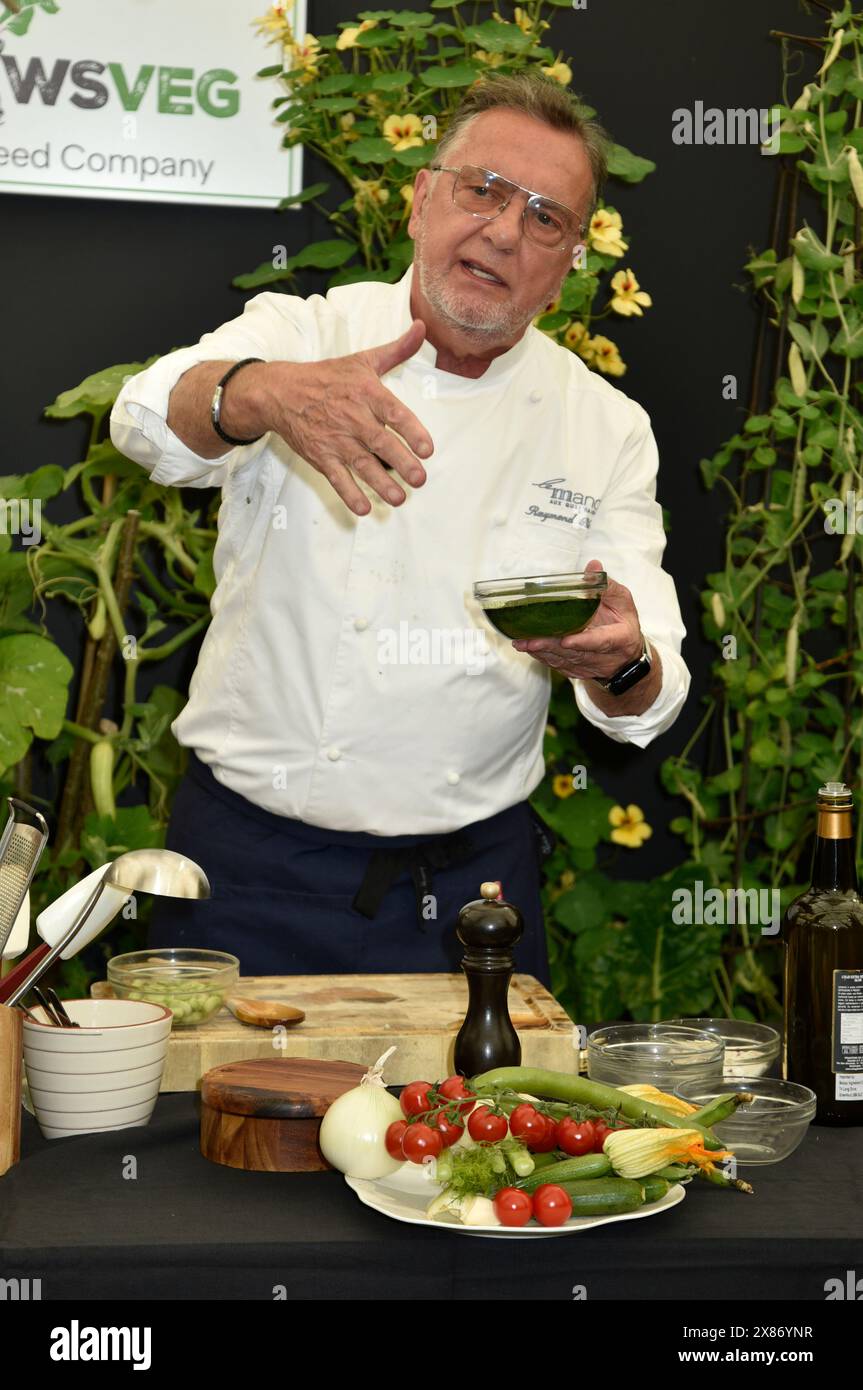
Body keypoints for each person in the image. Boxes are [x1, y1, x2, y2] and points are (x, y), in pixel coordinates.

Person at [110, 73, 691, 987]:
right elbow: (143, 422)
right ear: (422, 200)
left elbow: (647, 696)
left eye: (545, 218)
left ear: (571, 262)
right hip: (246, 873)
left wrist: (617, 661)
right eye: (482, 189)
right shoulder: (304, 334)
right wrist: (264, 393)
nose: (504, 231)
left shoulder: (603, 426)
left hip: (470, 894)